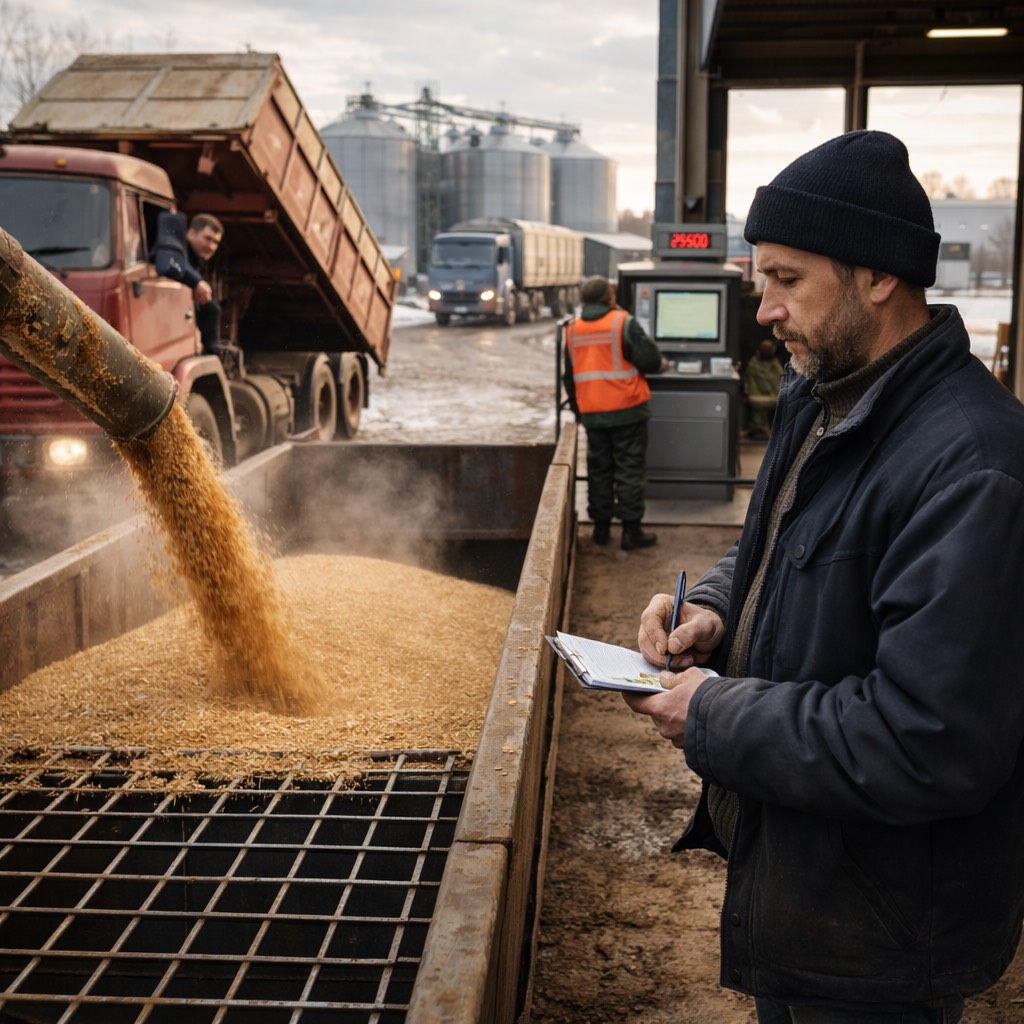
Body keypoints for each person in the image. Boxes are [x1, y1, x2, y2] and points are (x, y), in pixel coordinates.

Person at [622, 130, 1024, 1023]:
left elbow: (930, 740)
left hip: (882, 931)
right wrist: (715, 611)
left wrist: (711, 711)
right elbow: (773, 543)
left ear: (879, 276)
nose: (762, 309)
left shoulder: (973, 466)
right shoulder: (822, 391)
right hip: (809, 875)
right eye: (760, 278)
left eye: (786, 280)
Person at [562, 274, 668, 550]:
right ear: (609, 298)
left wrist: (578, 410)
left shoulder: (571, 329)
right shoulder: (623, 323)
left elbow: (568, 377)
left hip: (593, 415)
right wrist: (663, 365)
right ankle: (631, 533)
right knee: (629, 471)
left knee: (599, 471)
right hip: (628, 411)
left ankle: (600, 530)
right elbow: (650, 360)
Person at [154, 212, 224, 354]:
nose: (211, 246)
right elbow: (172, 262)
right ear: (191, 234)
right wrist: (197, 282)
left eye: (216, 242)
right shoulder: (177, 247)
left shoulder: (196, 258)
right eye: (207, 238)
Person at [742, 338, 784, 438]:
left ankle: (762, 430)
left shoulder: (774, 364)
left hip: (772, 397)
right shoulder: (754, 363)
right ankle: (761, 430)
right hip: (759, 397)